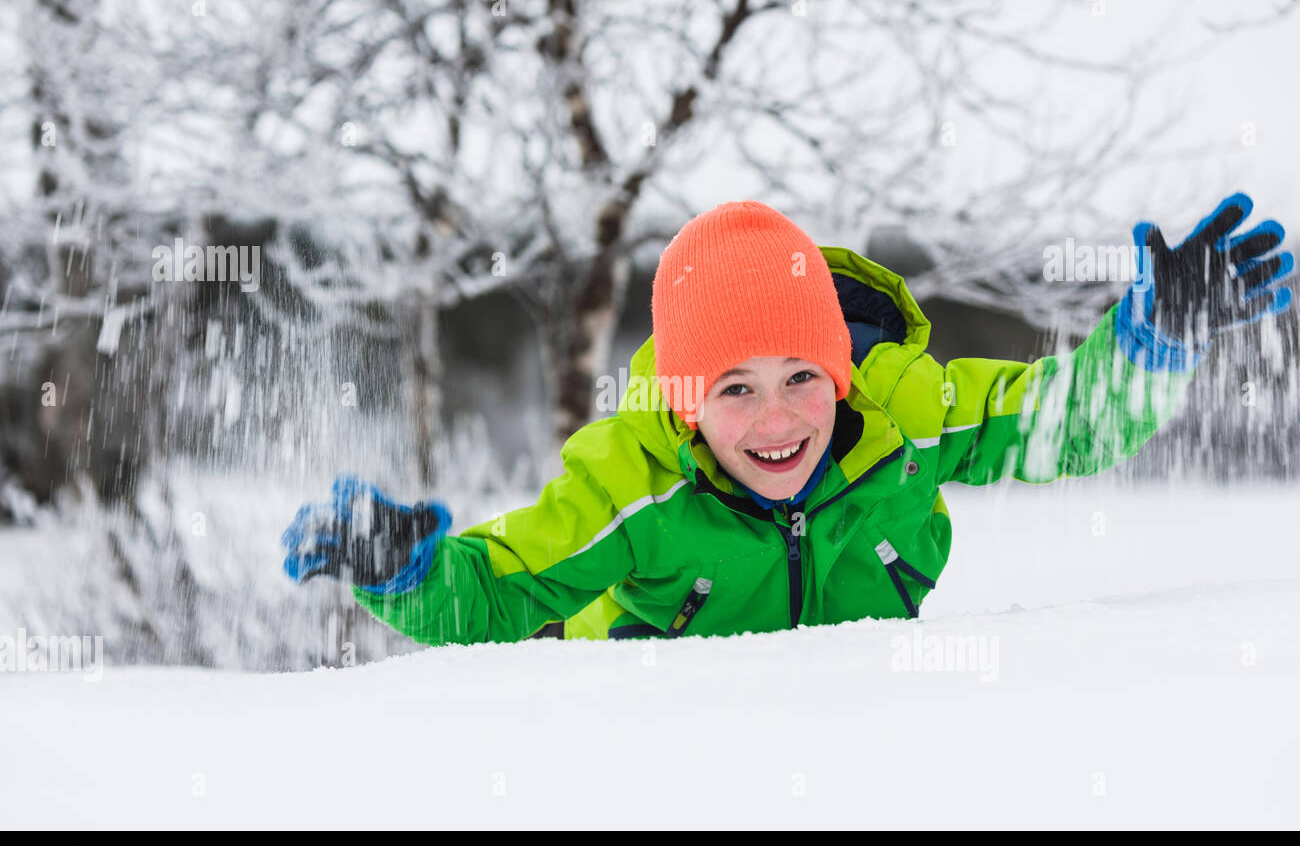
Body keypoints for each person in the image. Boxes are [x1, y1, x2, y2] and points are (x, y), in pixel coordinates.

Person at [281, 195, 1294, 644]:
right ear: (685, 400)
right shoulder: (636, 477)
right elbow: (504, 589)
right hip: (649, 751)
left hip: (852, 739)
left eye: (801, 374)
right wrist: (402, 572)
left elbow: (1056, 422)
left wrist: (1153, 341)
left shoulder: (903, 413)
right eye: (733, 387)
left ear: (843, 368)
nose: (777, 417)